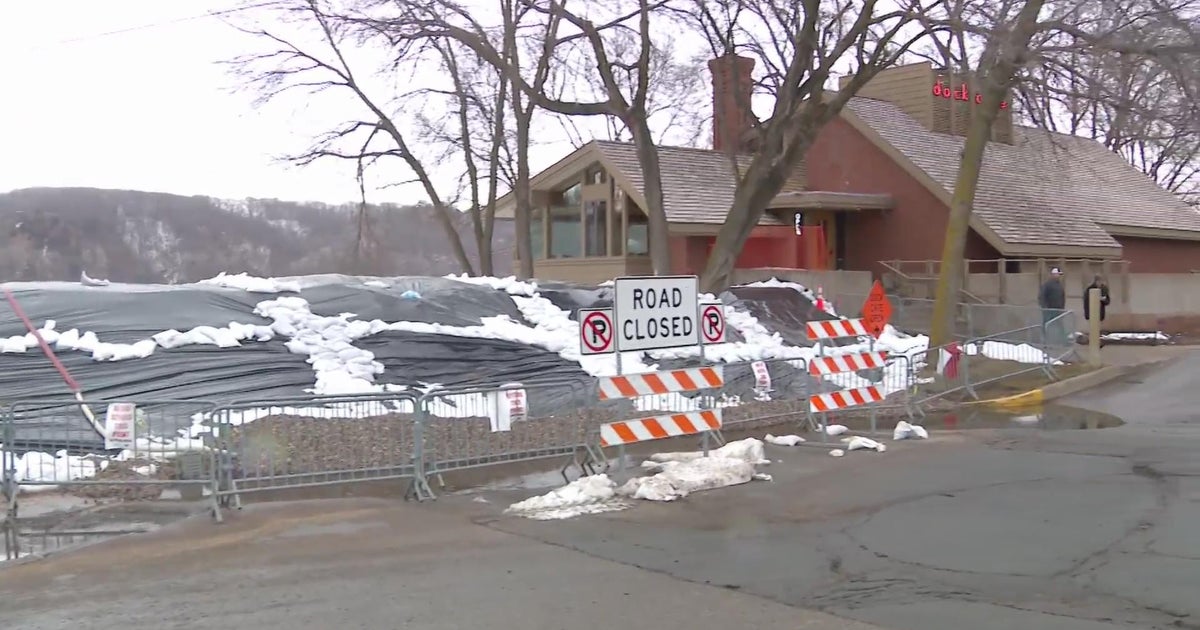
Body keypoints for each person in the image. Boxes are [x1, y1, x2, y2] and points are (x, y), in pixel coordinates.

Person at [1038, 267, 1067, 347]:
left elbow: (1062, 297)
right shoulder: (1047, 285)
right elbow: (1042, 297)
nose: (1059, 276)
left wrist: (1062, 308)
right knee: (1047, 326)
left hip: (1058, 310)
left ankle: (1062, 341)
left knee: (1060, 326)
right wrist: (1045, 308)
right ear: (1053, 274)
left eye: (1059, 275)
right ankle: (1045, 342)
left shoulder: (1060, 285)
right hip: (1049, 310)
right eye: (1058, 274)